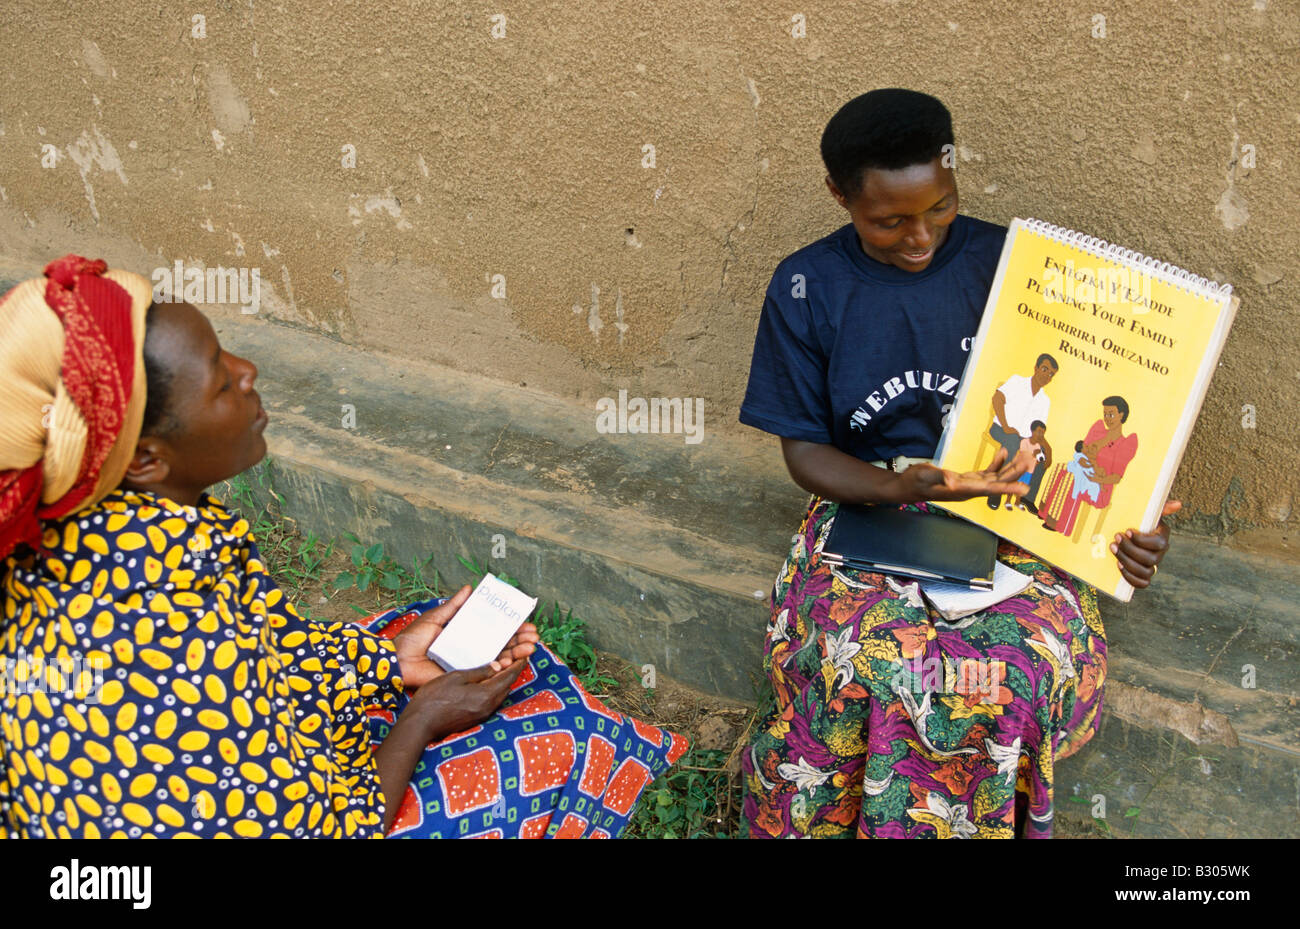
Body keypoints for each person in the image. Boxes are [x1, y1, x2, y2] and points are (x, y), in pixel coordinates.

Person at [0, 255, 685, 839]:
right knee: (558, 742)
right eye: (218, 377)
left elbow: (258, 664)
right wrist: (422, 716)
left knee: (420, 631)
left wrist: (388, 661)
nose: (248, 370)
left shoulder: (94, 535)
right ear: (145, 456)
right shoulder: (169, 639)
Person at [737, 89, 1175, 838]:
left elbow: (1088, 413)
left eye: (939, 208)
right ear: (839, 195)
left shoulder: (1017, 267)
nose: (920, 238)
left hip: (1013, 511)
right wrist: (892, 484)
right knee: (860, 661)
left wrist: (1122, 532)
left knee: (1012, 674)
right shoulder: (807, 287)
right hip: (868, 509)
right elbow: (805, 450)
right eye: (888, 221)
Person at [1041, 397, 1138, 538]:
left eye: (1111, 414)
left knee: (1072, 479)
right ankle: (1046, 513)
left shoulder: (1125, 443)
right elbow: (1082, 451)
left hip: (1101, 485)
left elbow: (1117, 477)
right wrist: (1080, 461)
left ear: (1121, 415)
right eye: (1105, 414)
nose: (1107, 418)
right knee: (1061, 469)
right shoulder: (1098, 430)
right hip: (1084, 472)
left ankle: (1060, 524)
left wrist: (1099, 478)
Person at [988, 355, 1058, 512]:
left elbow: (1040, 430)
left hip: (1025, 438)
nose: (1047, 375)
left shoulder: (1045, 401)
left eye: (1051, 374)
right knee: (1012, 442)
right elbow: (997, 398)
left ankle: (1027, 497)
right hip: (1001, 429)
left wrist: (1048, 449)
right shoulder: (1018, 381)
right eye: (1045, 369)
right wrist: (1006, 426)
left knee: (1044, 453)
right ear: (1036, 368)